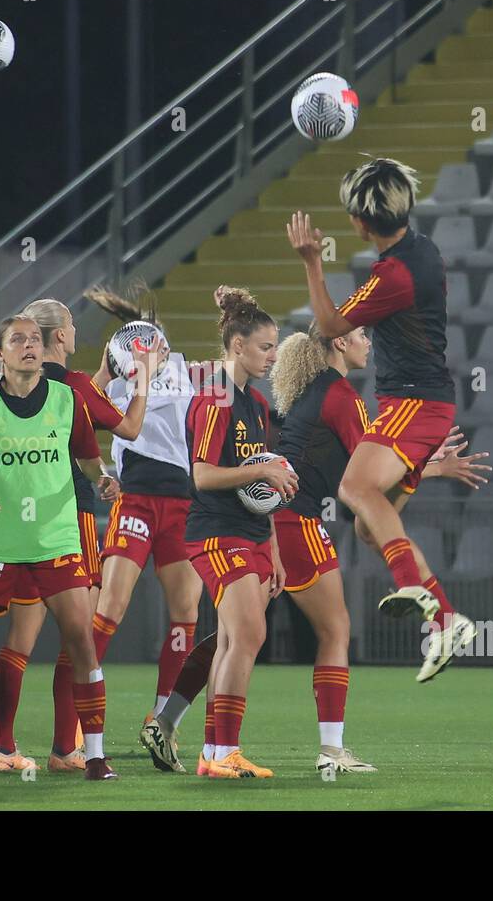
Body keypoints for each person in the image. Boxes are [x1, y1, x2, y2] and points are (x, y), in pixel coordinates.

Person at [144, 329, 489, 775]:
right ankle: (329, 751)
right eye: (361, 334)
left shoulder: (313, 389)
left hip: (270, 519)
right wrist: (427, 465)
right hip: (294, 519)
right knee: (334, 629)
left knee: (234, 635)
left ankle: (169, 721)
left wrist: (427, 465)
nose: (369, 341)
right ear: (338, 345)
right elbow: (366, 483)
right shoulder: (341, 396)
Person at [288, 157, 476, 683]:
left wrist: (311, 261)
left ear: (360, 223)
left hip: (414, 402)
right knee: (372, 527)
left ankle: (409, 586)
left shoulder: (394, 273)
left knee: (354, 488)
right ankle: (445, 617)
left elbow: (327, 325)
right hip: (421, 402)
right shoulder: (424, 251)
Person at [0, 314, 118, 782]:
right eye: (18, 340)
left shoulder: (69, 400)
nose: (29, 346)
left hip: (54, 542)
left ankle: (93, 754)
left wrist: (104, 479)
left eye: (35, 339)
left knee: (82, 648)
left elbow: (89, 461)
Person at [0, 297, 156, 774]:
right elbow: (132, 428)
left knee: (18, 640)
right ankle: (67, 749)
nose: (77, 331)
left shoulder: (16, 384)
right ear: (60, 336)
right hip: (68, 518)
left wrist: (101, 376)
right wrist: (139, 379)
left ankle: (3, 749)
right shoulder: (76, 385)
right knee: (77, 640)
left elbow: (68, 409)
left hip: (20, 521)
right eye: (73, 326)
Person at [84, 288, 207, 740]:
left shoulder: (189, 372)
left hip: (182, 501)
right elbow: (80, 412)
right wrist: (104, 368)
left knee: (186, 610)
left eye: (154, 341)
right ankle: (79, 719)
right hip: (135, 499)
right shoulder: (117, 381)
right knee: (110, 607)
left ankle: (160, 720)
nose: (153, 348)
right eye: (143, 344)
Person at [181, 287, 293, 780]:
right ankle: (221, 750)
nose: (272, 355)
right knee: (248, 634)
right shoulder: (215, 397)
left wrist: (275, 549)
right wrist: (261, 473)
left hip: (249, 533)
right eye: (265, 346)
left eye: (274, 346)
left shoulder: (258, 405)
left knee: (232, 641)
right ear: (237, 346)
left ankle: (215, 753)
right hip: (216, 531)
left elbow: (261, 485)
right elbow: (203, 475)